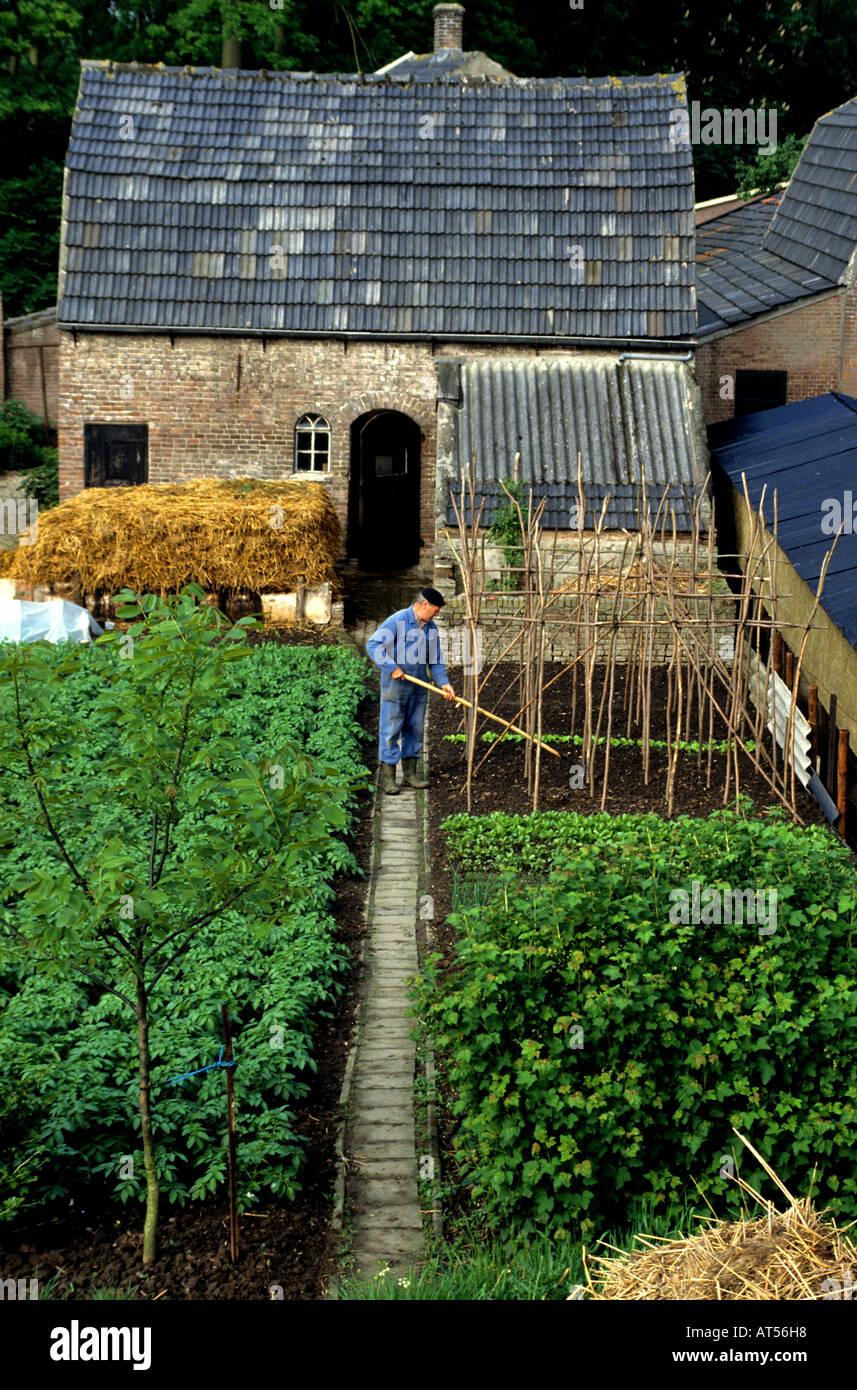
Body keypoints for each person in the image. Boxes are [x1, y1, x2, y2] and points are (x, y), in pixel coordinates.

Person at [365, 588, 456, 794]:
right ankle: (389, 779)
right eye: (436, 610)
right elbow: (373, 645)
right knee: (391, 731)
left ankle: (410, 775)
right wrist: (392, 667)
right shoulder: (398, 620)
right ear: (424, 605)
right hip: (395, 687)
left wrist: (444, 683)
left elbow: (435, 660)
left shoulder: (431, 629)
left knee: (415, 730)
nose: (437, 614)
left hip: (419, 687)